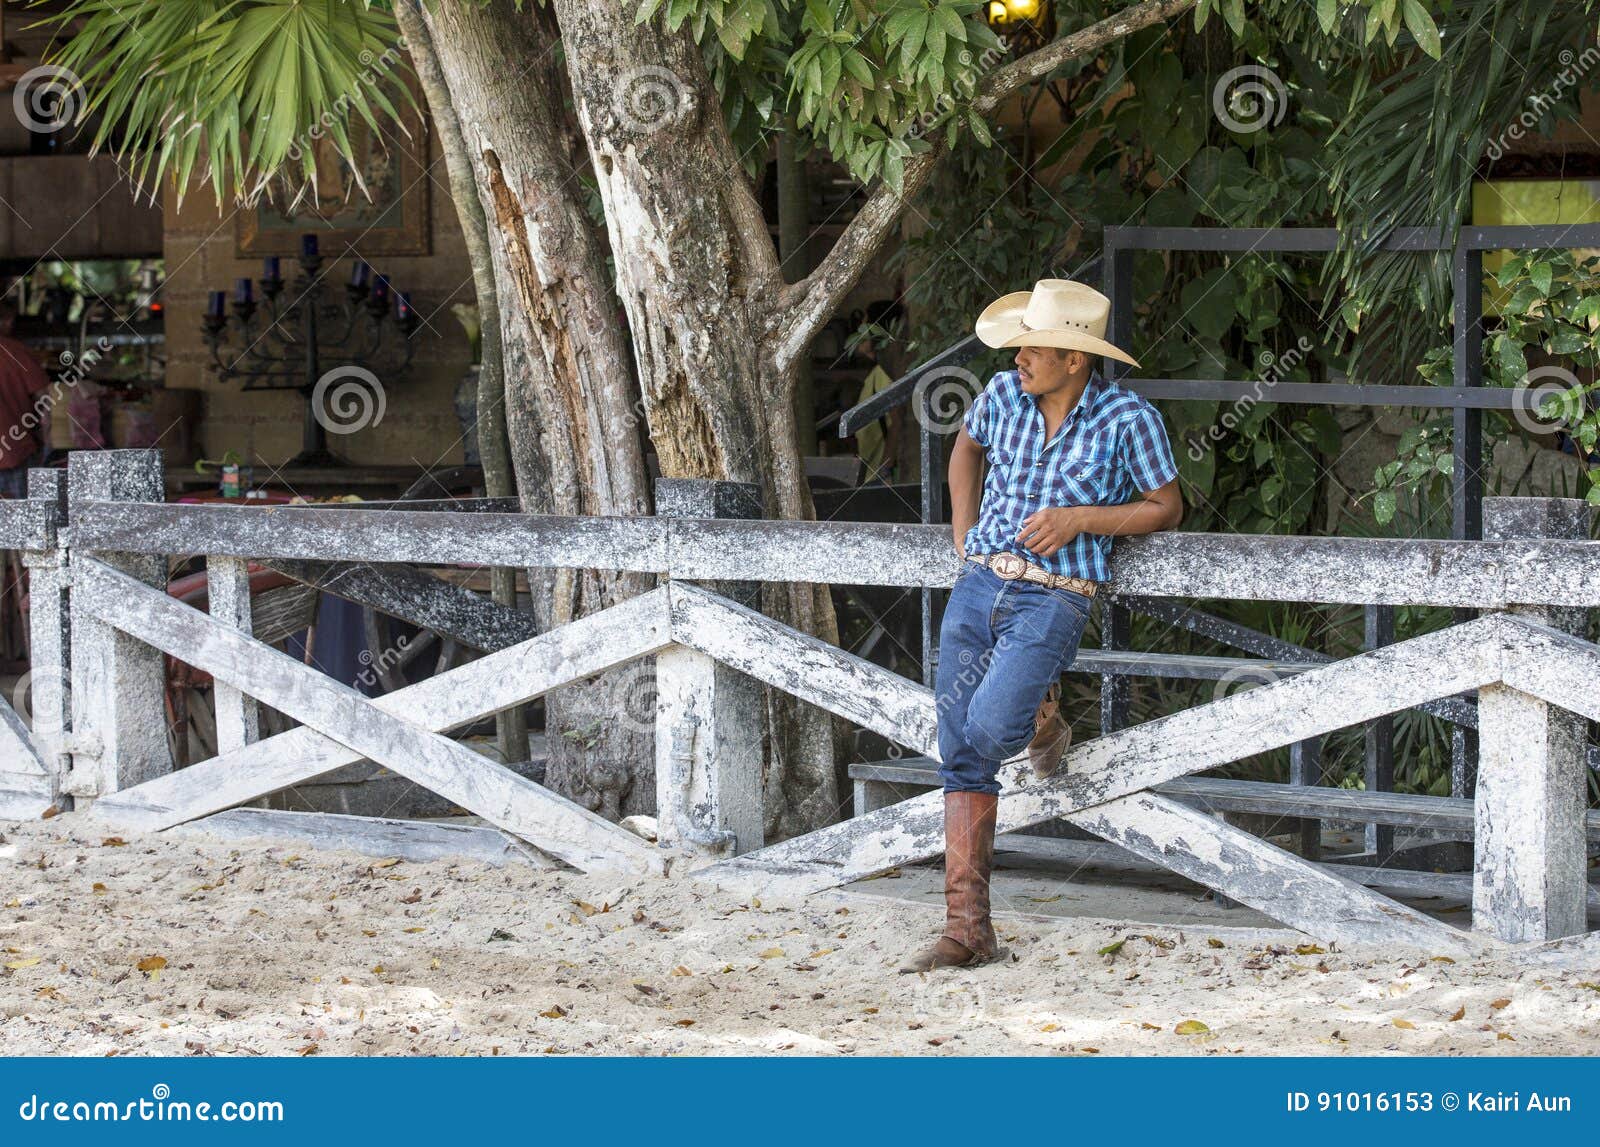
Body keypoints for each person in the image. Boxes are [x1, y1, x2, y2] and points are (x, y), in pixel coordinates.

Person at [900, 278, 1184, 974]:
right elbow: (965, 449)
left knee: (990, 731)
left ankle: (1039, 712)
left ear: (1074, 359)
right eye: (1020, 345)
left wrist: (1080, 519)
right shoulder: (1001, 396)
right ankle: (967, 930)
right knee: (959, 752)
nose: (1019, 357)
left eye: (1035, 347)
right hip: (979, 585)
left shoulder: (1128, 418)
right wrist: (963, 534)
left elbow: (1166, 506)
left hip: (1053, 596)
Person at [0, 300, 51, 498]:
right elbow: (44, 400)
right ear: (7, 320)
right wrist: (46, 442)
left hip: (14, 453)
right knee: (19, 514)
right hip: (14, 452)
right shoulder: (15, 352)